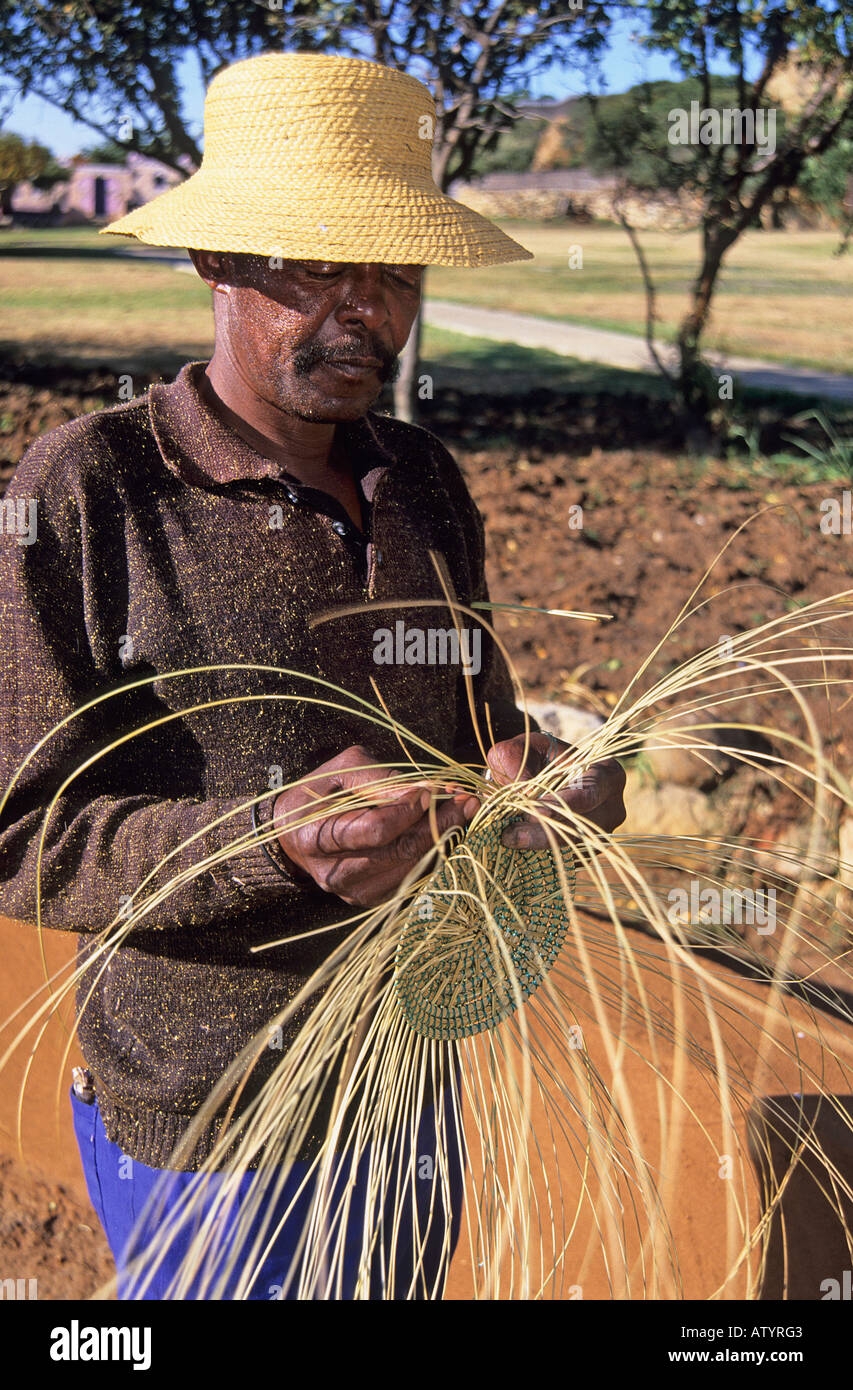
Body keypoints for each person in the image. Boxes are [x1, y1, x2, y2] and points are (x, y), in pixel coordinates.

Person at [0, 51, 625, 1299]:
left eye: (391, 271)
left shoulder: (421, 479)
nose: (364, 311)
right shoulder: (91, 488)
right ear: (213, 263)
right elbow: (25, 833)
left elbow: (477, 729)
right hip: (212, 1125)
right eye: (310, 268)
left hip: (408, 1083)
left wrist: (542, 789)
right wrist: (272, 840)